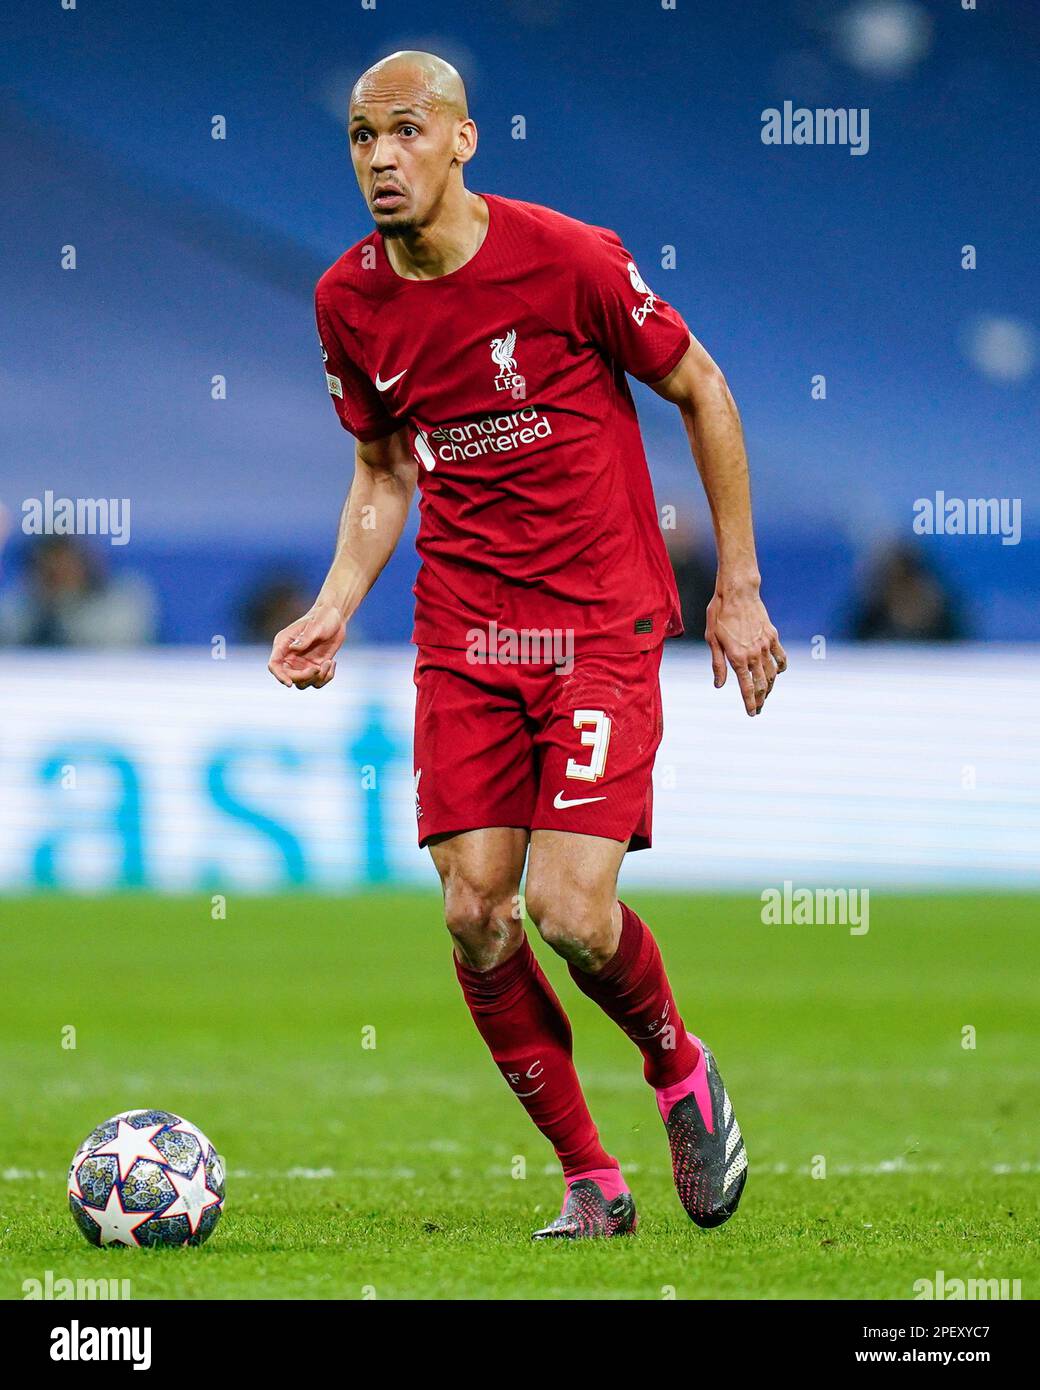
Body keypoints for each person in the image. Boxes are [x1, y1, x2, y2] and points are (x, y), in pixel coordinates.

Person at [268, 51, 786, 1239]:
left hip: (598, 622)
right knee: (472, 913)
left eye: (404, 131)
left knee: (568, 909)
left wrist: (738, 585)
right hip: (463, 634)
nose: (379, 156)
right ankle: (588, 1178)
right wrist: (337, 601)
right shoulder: (347, 300)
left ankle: (676, 1068)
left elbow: (701, 387)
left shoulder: (569, 259)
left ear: (461, 140)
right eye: (358, 136)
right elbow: (383, 468)